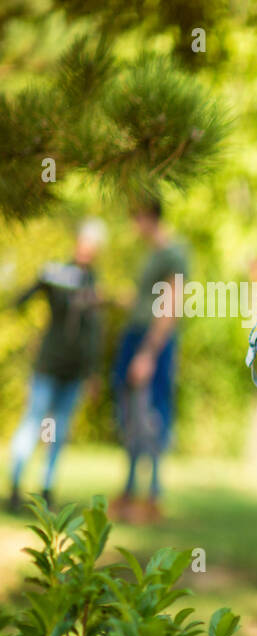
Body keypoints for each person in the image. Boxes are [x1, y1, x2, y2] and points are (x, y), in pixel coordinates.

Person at [8, 219, 108, 512]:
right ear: (77, 243)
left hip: (74, 372)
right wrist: (38, 281)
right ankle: (14, 487)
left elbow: (93, 335)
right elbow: (24, 299)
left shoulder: (94, 285)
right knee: (33, 423)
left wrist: (92, 373)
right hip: (48, 367)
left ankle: (46, 489)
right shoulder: (58, 274)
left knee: (59, 431)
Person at [109, 194, 187, 524]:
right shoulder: (153, 252)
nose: (134, 224)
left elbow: (171, 305)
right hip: (135, 337)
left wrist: (148, 354)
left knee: (150, 415)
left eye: (136, 216)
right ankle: (129, 491)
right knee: (130, 415)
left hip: (150, 343)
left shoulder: (173, 251)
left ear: (149, 215)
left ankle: (152, 496)